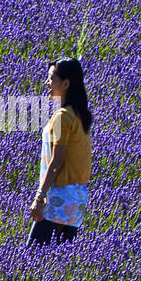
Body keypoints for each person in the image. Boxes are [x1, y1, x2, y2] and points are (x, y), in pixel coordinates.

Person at [28, 58, 93, 246]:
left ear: (65, 84)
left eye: (51, 78)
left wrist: (40, 197)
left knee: (33, 255)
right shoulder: (80, 115)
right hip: (77, 198)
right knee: (62, 259)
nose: (47, 83)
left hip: (58, 198)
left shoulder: (62, 117)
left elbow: (56, 161)